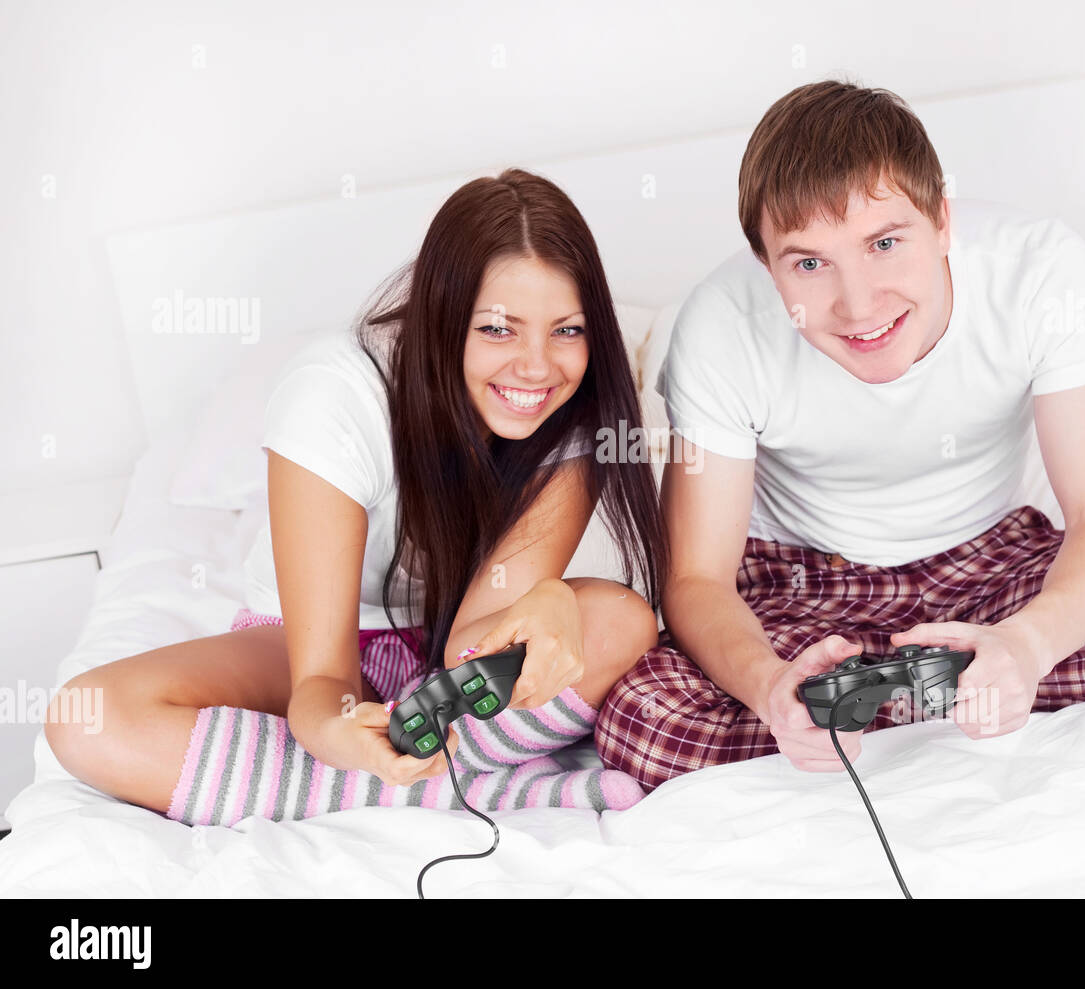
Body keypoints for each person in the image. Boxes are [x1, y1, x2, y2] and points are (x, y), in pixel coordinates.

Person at [592, 81, 1085, 791]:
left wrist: (1027, 644)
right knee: (638, 713)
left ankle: (883, 702)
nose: (858, 305)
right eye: (808, 263)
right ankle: (932, 694)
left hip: (991, 563)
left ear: (943, 222)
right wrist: (772, 686)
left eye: (885, 243)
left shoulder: (1038, 269)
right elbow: (698, 580)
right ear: (767, 267)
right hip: (801, 587)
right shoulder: (719, 326)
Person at [46, 168, 667, 824]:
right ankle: (485, 788)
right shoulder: (337, 394)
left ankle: (361, 783)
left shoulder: (575, 413)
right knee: (87, 719)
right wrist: (343, 736)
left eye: (566, 330)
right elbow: (321, 685)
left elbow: (465, 652)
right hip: (315, 648)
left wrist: (549, 599)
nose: (537, 366)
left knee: (621, 620)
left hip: (455, 650)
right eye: (497, 329)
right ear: (442, 317)